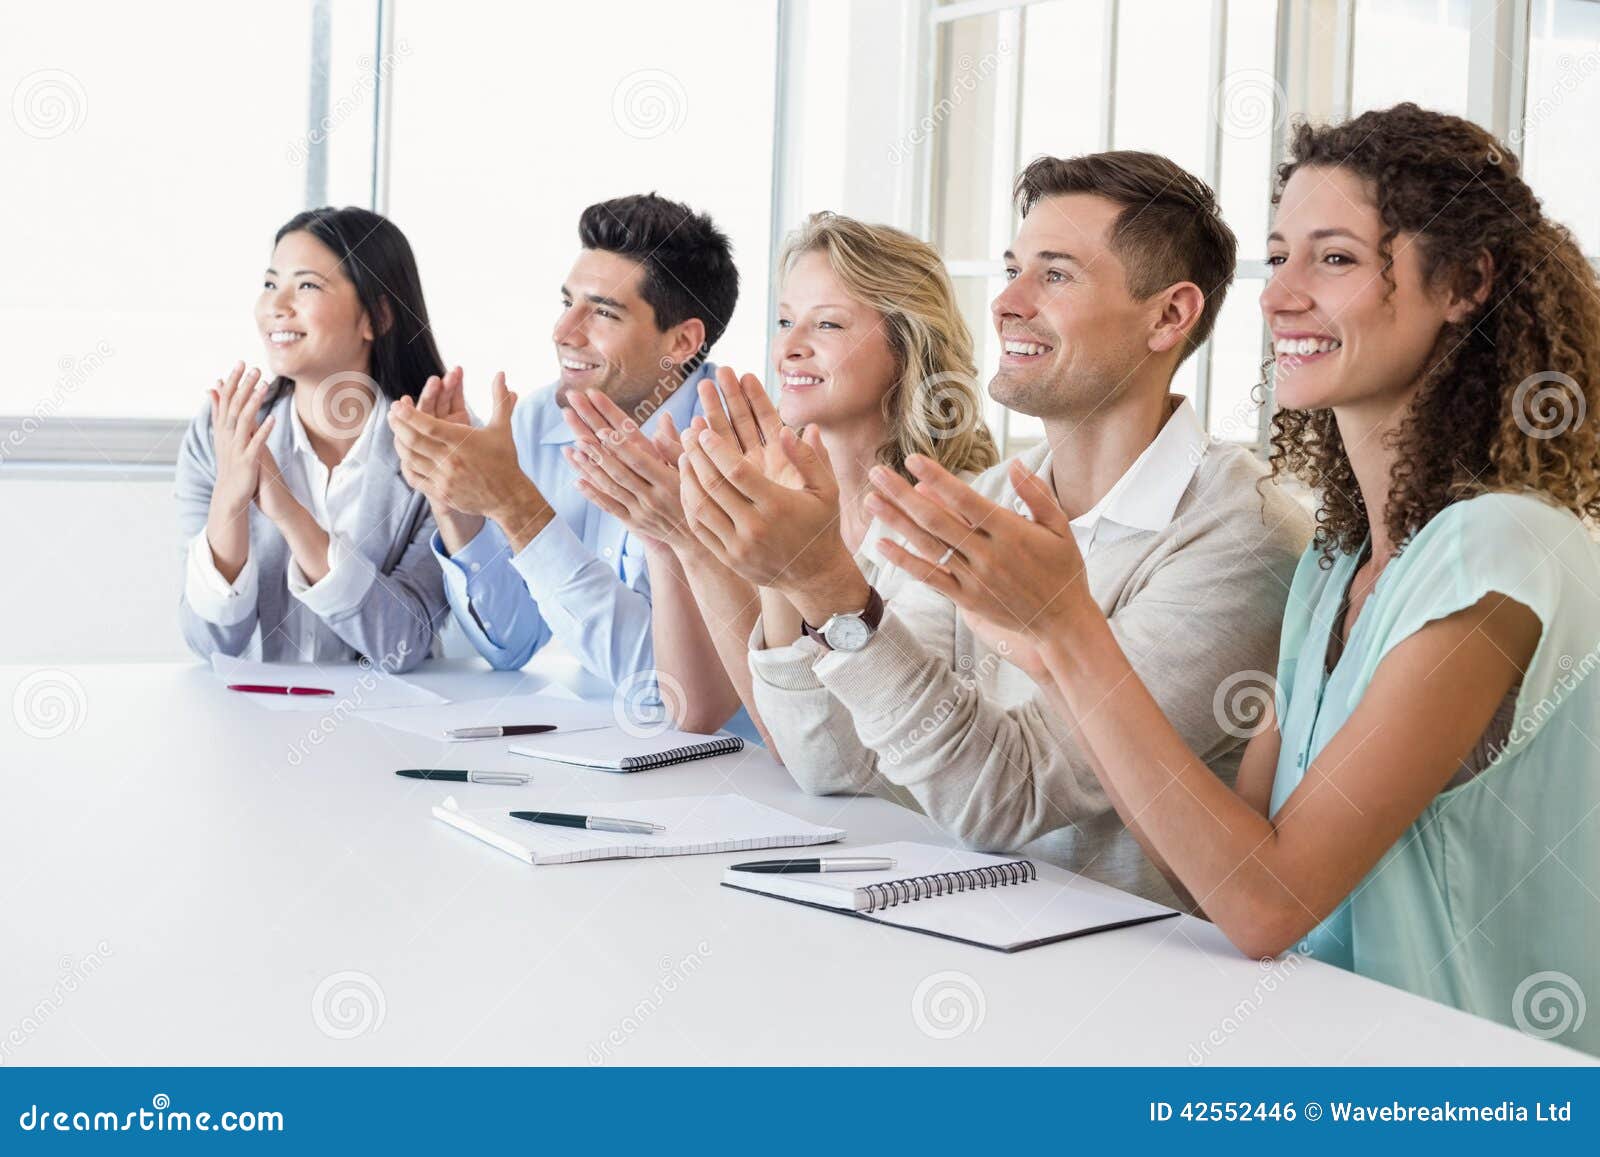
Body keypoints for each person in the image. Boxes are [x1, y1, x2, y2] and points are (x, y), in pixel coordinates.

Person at [868, 105, 1600, 1052]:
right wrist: (1049, 647)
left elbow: (1266, 904)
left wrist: (1069, 631)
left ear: (1463, 283)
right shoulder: (1339, 563)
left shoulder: (1499, 553)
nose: (1278, 294)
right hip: (1307, 1045)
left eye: (1333, 259)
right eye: (1280, 255)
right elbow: (1213, 856)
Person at [682, 152, 1313, 907]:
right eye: (1014, 268)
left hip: (1130, 980)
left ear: (1169, 316)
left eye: (1054, 274)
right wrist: (794, 577)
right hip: (964, 932)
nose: (1006, 301)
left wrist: (826, 585)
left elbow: (1008, 798)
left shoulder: (1243, 536)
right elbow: (838, 763)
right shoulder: (982, 499)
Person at [559, 212, 998, 743]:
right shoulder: (765, 492)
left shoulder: (956, 516)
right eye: (786, 321)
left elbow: (816, 746)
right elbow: (695, 708)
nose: (789, 347)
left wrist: (695, 542)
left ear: (908, 346)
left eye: (828, 324)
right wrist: (667, 538)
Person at [387, 194, 739, 711]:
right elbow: (511, 643)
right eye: (567, 303)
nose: (563, 332)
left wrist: (516, 506)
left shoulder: (734, 456)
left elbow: (663, 687)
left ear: (682, 343)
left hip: (722, 765)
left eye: (602, 312)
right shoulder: (538, 419)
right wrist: (457, 499)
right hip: (589, 743)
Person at [176, 206, 450, 672]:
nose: (276, 306)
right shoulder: (218, 430)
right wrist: (230, 500)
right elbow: (211, 643)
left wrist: (288, 511)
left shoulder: (439, 444)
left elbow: (401, 642)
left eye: (306, 285)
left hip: (387, 724)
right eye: (269, 284)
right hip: (250, 722)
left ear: (377, 317)